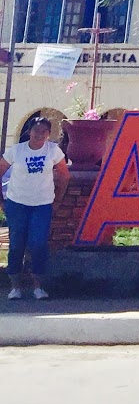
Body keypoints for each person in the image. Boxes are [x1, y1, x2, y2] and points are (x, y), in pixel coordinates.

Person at [1, 116, 69, 301]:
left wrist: (57, 200)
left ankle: (37, 287)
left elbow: (64, 175)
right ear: (29, 131)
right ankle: (15, 287)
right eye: (36, 130)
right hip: (17, 203)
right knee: (16, 245)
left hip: (41, 204)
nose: (39, 135)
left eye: (44, 131)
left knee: (38, 244)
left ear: (49, 134)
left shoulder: (53, 151)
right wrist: (2, 201)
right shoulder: (16, 151)